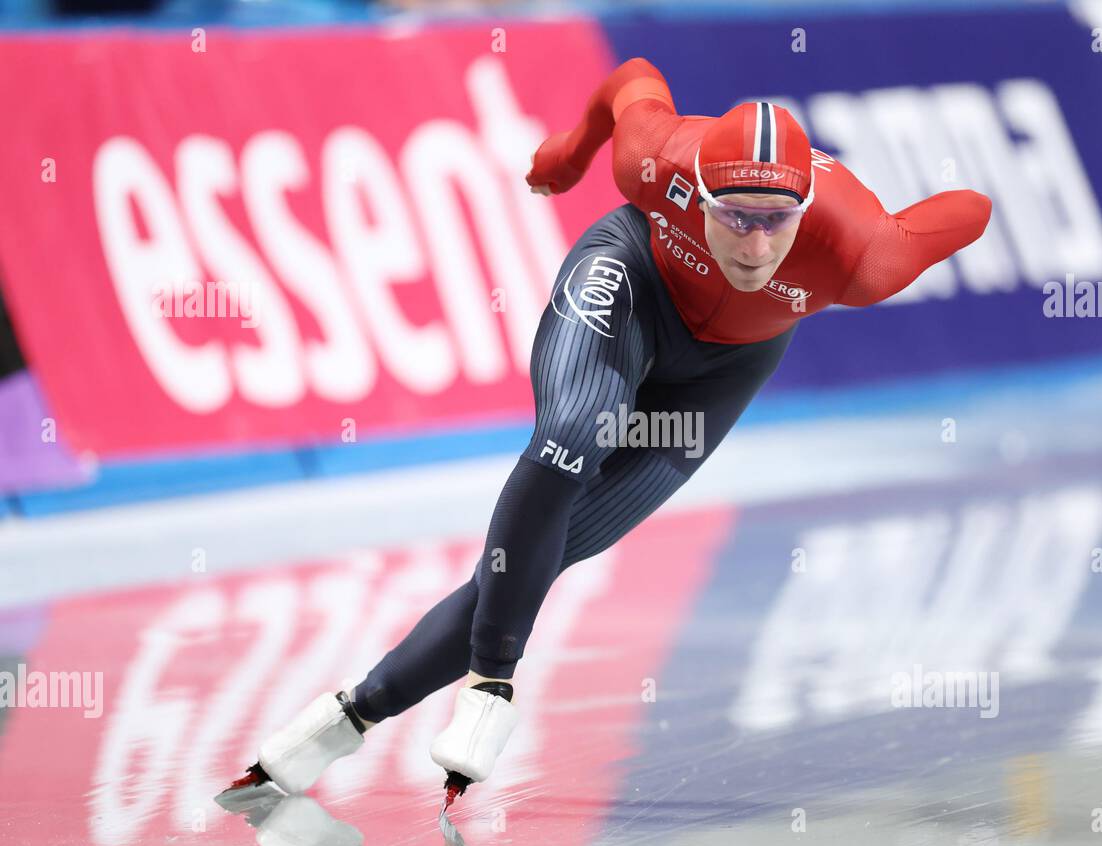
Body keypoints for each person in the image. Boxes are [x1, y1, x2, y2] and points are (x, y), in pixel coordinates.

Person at [227, 58, 992, 802]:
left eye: (776, 222)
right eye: (734, 218)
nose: (755, 248)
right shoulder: (657, 158)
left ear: (803, 211)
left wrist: (951, 191)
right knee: (569, 435)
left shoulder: (863, 253)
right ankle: (492, 684)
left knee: (547, 550)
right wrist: (570, 151)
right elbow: (632, 76)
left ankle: (348, 714)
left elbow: (971, 209)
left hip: (722, 373)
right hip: (631, 278)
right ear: (697, 192)